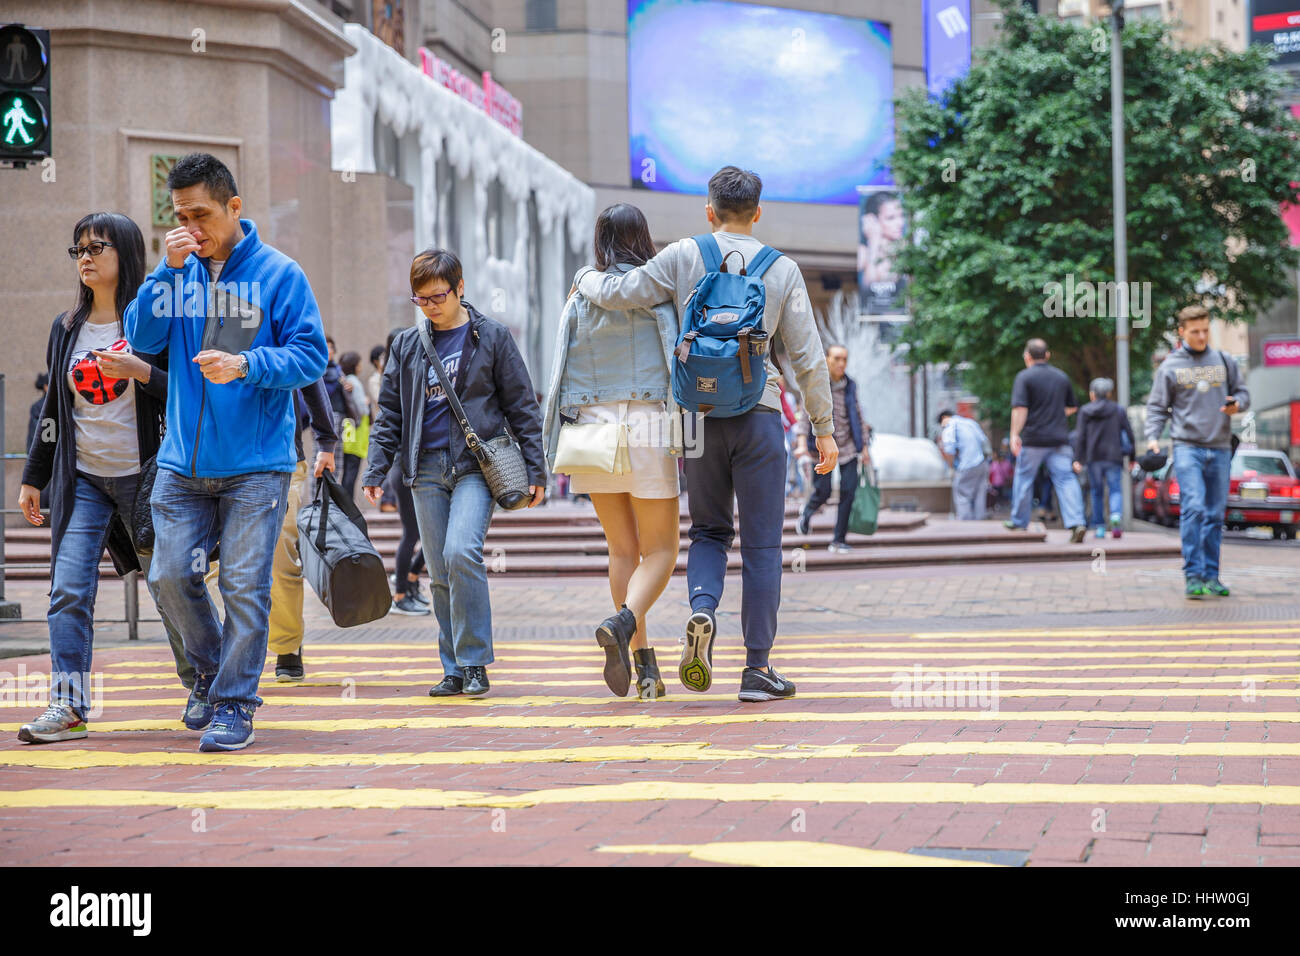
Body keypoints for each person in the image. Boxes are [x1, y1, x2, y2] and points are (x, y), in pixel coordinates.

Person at [575, 166, 837, 703]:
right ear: (758, 213)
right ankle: (757, 670)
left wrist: (586, 280)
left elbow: (625, 293)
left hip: (695, 418)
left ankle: (702, 608)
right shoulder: (782, 269)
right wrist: (823, 430)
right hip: (760, 415)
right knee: (763, 545)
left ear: (709, 210)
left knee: (710, 533)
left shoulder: (681, 255)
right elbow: (808, 358)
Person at [125, 152, 328, 752]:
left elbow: (310, 355)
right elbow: (140, 338)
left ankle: (236, 704)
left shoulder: (279, 274)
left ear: (234, 207)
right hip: (180, 462)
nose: (191, 227)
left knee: (244, 586)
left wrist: (246, 365)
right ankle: (213, 675)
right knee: (166, 575)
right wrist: (163, 271)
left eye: (202, 214)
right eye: (180, 215)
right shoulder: (177, 273)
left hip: (257, 467)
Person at [16, 212, 194, 744]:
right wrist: (34, 475)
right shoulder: (66, 327)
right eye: (79, 250)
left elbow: (185, 395)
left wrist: (139, 370)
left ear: (127, 254)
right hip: (84, 482)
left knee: (172, 588)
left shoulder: (155, 322)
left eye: (97, 247)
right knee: (67, 591)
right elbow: (54, 405)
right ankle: (68, 707)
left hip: (147, 478)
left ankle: (204, 682)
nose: (86, 258)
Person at [363, 248, 547, 698]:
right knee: (441, 569)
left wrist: (536, 467)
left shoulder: (493, 337)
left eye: (438, 296)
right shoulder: (407, 345)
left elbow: (522, 404)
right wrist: (376, 468)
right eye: (421, 299)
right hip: (423, 468)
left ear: (460, 288)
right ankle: (454, 667)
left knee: (462, 551)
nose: (431, 306)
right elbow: (389, 413)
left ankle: (475, 660)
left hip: (474, 466)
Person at [543, 203, 682, 699]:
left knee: (622, 549)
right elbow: (675, 362)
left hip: (590, 429)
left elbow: (559, 369)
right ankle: (623, 623)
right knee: (662, 550)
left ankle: (645, 667)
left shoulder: (579, 296)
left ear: (600, 240)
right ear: (643, 237)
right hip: (647, 422)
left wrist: (550, 439)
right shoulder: (655, 291)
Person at [202, 379, 338, 682]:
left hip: (280, 458)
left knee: (281, 556)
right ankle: (224, 644)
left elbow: (309, 372)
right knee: (212, 561)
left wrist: (326, 440)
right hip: (213, 457)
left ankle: (288, 646)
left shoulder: (277, 329)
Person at [1145, 305, 1249, 599]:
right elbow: (1156, 407)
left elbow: (1244, 394)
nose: (1202, 336)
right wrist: (1152, 437)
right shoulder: (1170, 366)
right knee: (1194, 507)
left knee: (1215, 514)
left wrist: (1236, 404)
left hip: (1219, 447)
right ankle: (1193, 575)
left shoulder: (1224, 361)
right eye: (1195, 331)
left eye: (1205, 330)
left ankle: (1211, 576)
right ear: (1182, 332)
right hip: (1187, 446)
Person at [1004, 338, 1087, 542]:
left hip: (1033, 439)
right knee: (1066, 479)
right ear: (1047, 355)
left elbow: (1020, 409)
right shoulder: (1061, 377)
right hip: (1059, 438)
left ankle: (1018, 522)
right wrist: (1055, 416)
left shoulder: (1024, 377)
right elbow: (1072, 407)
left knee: (1024, 478)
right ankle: (1076, 522)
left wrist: (1015, 434)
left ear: (1027, 356)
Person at [795, 344, 867, 551]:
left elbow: (858, 416)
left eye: (844, 359)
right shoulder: (816, 383)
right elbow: (804, 418)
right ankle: (807, 512)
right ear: (826, 359)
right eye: (836, 358)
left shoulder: (850, 385)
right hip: (822, 447)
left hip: (849, 447)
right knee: (823, 491)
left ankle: (839, 540)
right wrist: (801, 445)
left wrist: (865, 448)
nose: (841, 363)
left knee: (848, 491)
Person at [1072, 377, 1134, 539]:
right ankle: (1115, 516)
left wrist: (1077, 458)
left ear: (1092, 394)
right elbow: (1129, 432)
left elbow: (1081, 437)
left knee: (1096, 492)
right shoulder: (1118, 410)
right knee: (1115, 489)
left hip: (1094, 458)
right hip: (1114, 456)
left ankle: (1099, 527)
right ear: (1108, 393)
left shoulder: (1085, 411)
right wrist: (1132, 456)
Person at [936, 409, 991, 520]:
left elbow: (949, 449)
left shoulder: (950, 425)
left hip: (968, 463)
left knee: (962, 493)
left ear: (944, 418)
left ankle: (966, 524)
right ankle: (980, 522)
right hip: (982, 463)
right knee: (980, 494)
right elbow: (984, 440)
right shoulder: (970, 423)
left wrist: (951, 467)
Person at [337, 350, 368, 500]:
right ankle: (348, 503)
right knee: (352, 467)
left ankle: (344, 503)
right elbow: (362, 409)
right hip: (357, 428)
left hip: (348, 428)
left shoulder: (343, 380)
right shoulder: (354, 381)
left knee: (347, 466)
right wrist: (366, 403)